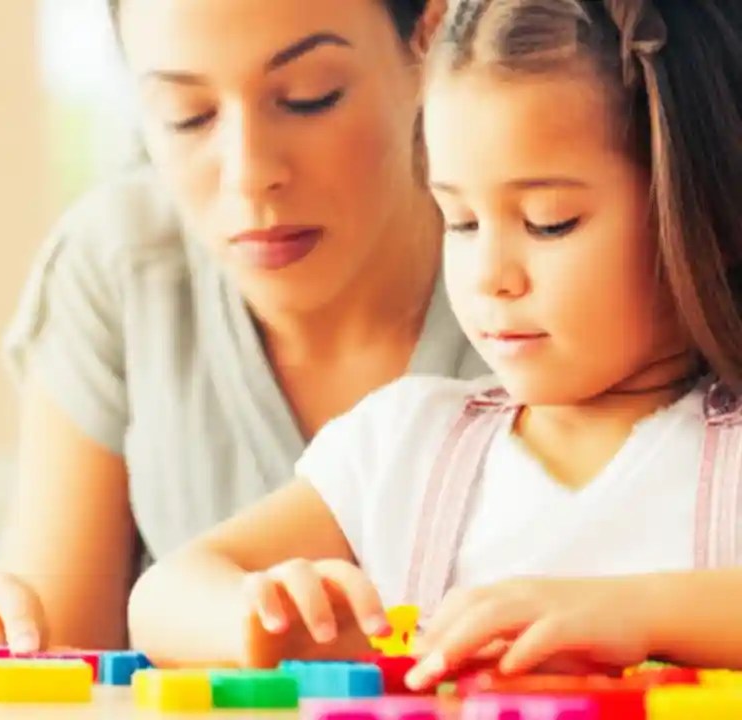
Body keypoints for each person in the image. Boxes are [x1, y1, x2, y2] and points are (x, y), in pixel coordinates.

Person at [127, 0, 742, 685]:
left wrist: (640, 613)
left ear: (702, 216)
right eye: (461, 221)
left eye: (549, 222)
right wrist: (258, 616)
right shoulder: (404, 447)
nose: (490, 277)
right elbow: (164, 595)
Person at [0, 0, 487, 653]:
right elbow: (57, 662)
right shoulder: (122, 266)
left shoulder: (546, 266)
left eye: (310, 97)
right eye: (186, 115)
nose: (249, 173)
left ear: (428, 37)